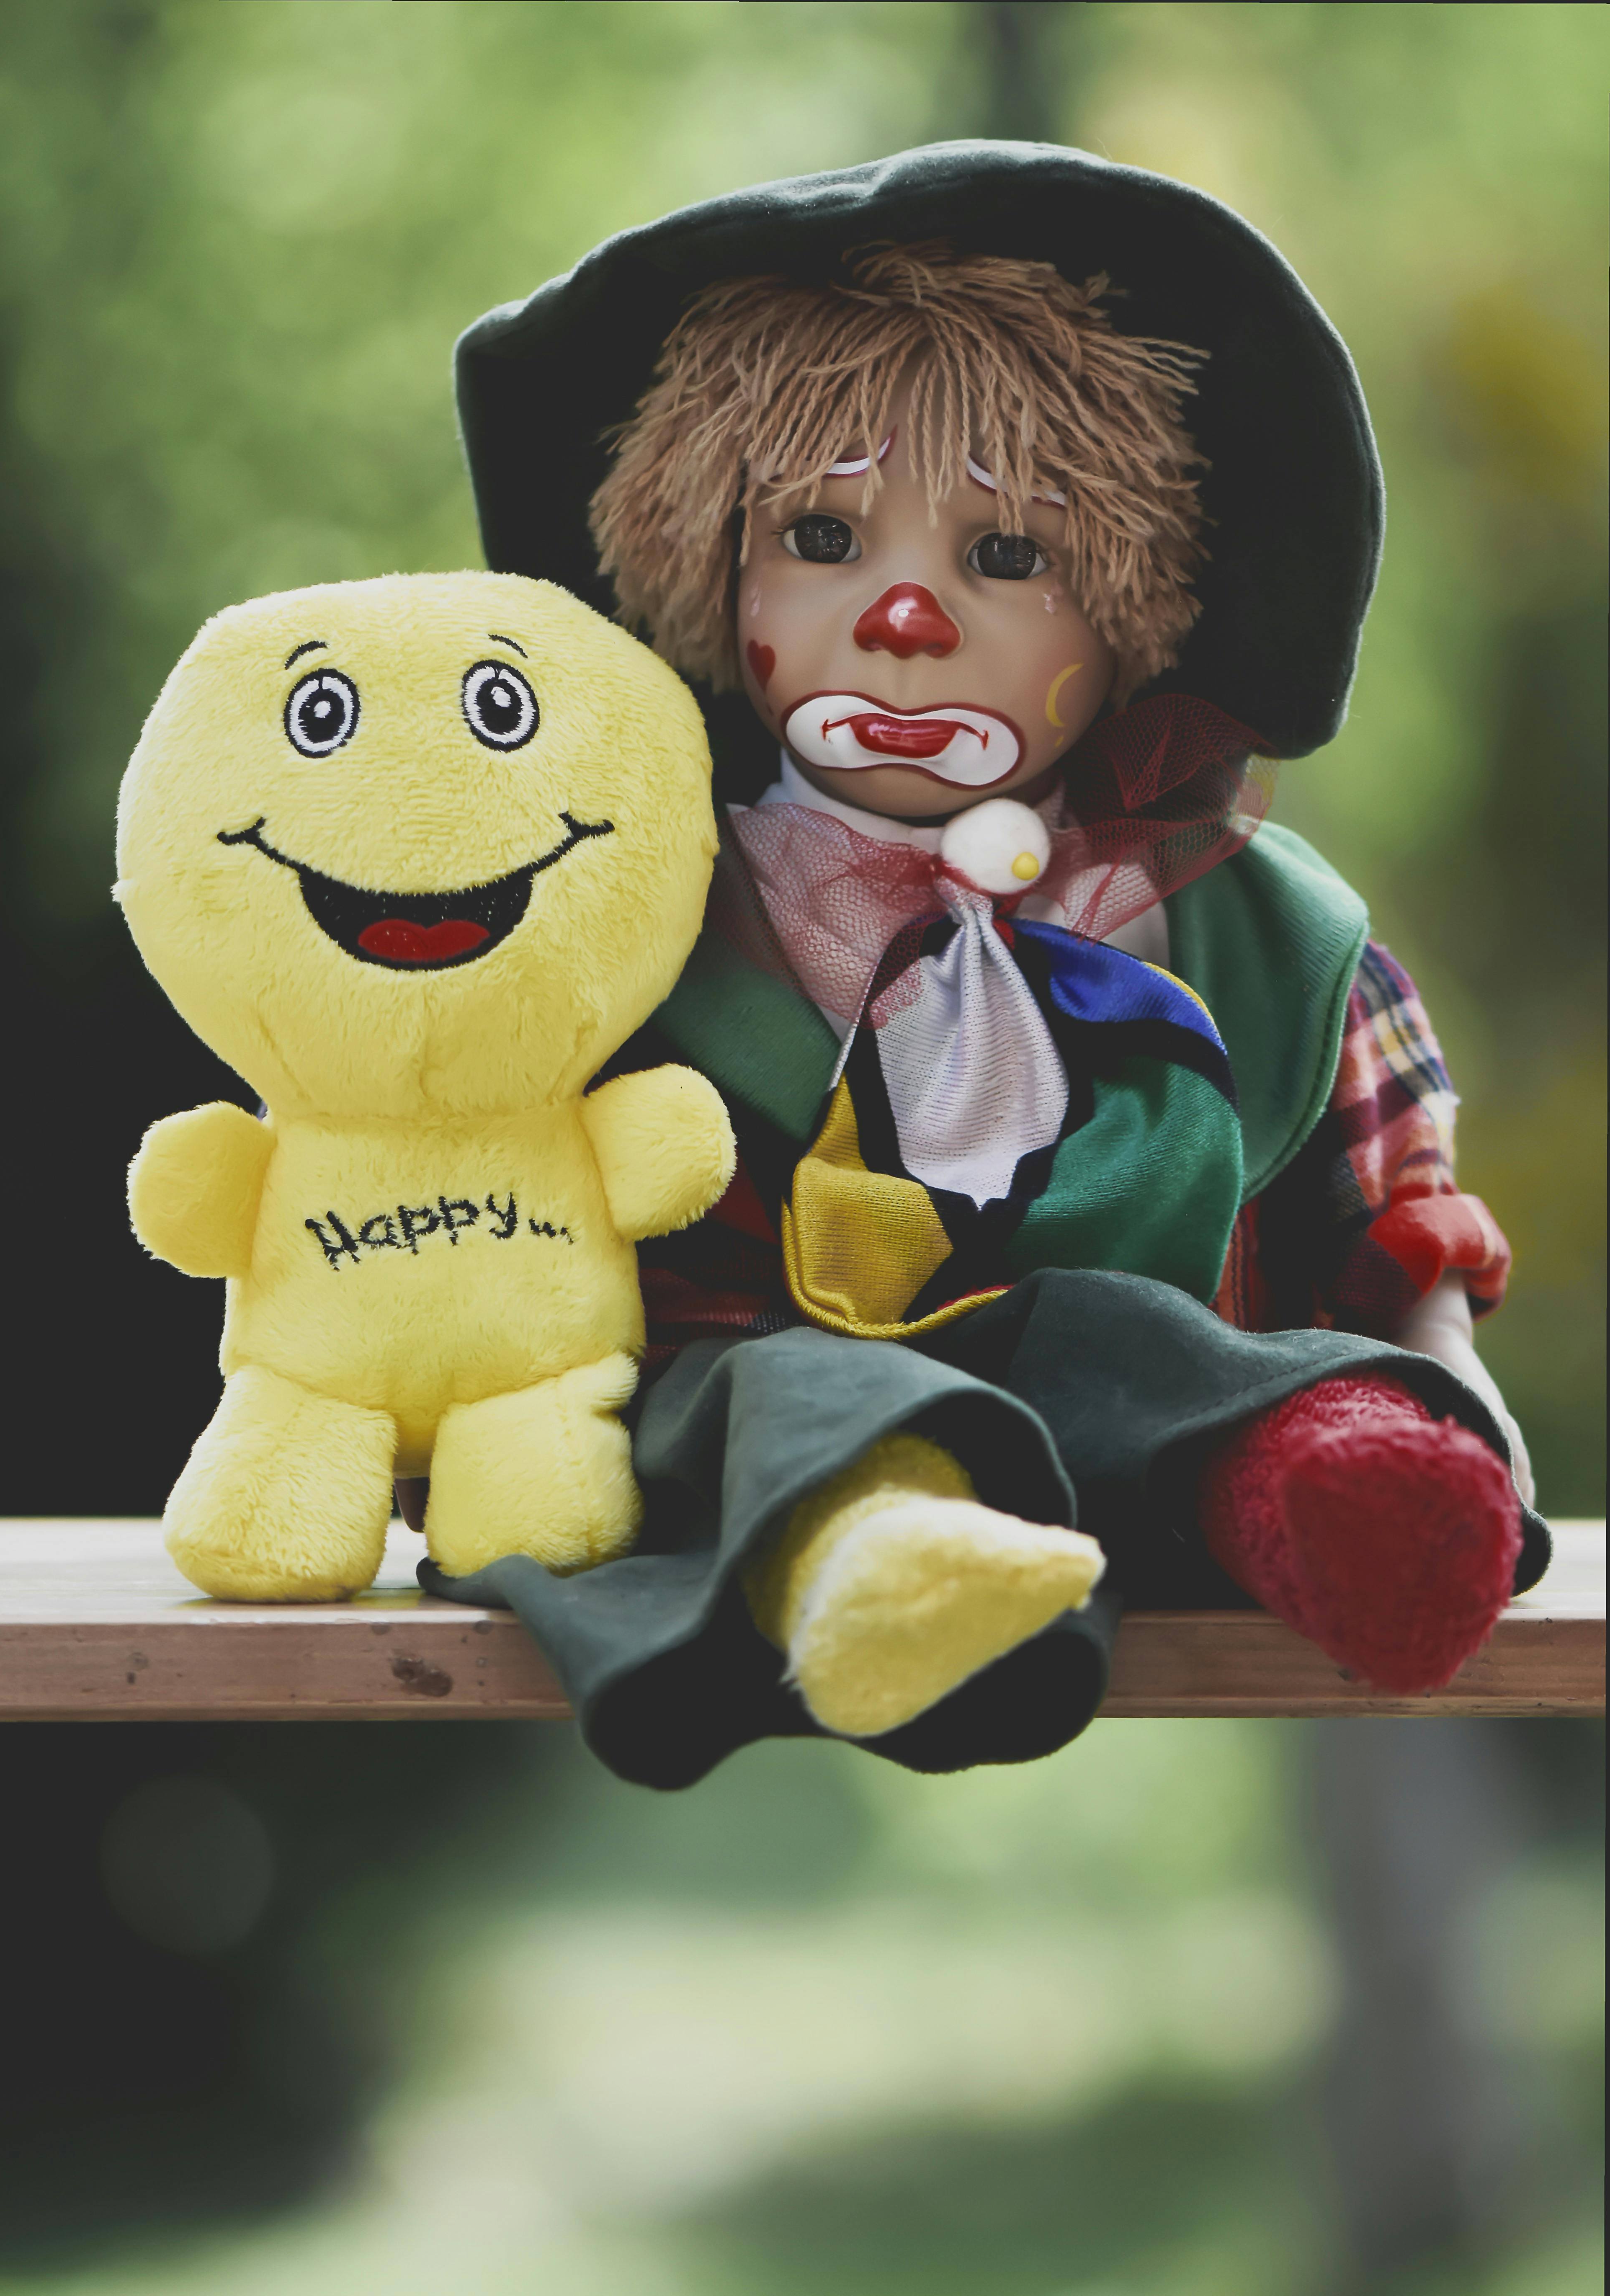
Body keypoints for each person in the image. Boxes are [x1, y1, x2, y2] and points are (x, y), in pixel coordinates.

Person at [425, 143, 1547, 1789]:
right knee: (774, 1397)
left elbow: (1386, 1191)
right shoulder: (633, 910)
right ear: (711, 576)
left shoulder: (1240, 920)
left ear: (1133, 612)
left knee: (1173, 1356)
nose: (904, 620)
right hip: (760, 1428)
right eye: (823, 535)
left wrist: (1448, 1366)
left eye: (1006, 558)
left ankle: (1338, 1499)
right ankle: (884, 1544)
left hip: (1145, 1426)